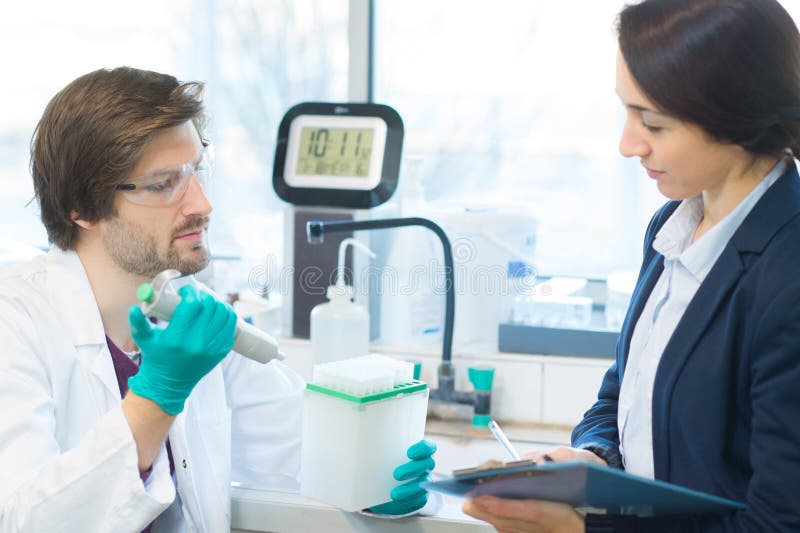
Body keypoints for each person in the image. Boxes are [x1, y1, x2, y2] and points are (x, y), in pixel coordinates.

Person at [0, 67, 435, 532]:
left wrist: (377, 478)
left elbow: (305, 447)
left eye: (196, 171)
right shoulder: (16, 324)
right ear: (83, 208)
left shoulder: (192, 313)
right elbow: (24, 520)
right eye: (163, 183)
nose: (201, 204)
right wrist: (155, 398)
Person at [463, 0, 800, 531]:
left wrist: (581, 529)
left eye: (655, 124)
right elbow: (621, 395)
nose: (627, 144)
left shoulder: (787, 278)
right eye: (626, 111)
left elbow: (777, 524)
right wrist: (593, 458)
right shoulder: (674, 228)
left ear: (737, 117)